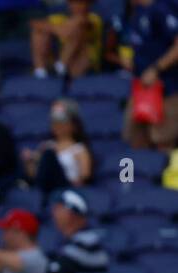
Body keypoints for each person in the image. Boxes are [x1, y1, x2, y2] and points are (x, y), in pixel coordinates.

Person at [109, 0, 178, 151]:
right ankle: (135, 174)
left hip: (169, 88)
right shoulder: (137, 11)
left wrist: (156, 68)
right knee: (134, 137)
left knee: (162, 139)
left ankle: (165, 174)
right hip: (141, 88)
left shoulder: (163, 8)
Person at [23, 99, 92, 193]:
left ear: (73, 125)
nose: (57, 126)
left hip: (67, 187)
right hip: (46, 187)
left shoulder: (79, 149)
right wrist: (29, 162)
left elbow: (85, 174)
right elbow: (34, 175)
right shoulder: (46, 145)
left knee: (49, 155)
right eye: (55, 123)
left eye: (62, 123)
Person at [32, 0, 104, 78]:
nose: (77, 6)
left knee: (78, 31)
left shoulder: (94, 18)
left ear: (88, 5)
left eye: (81, 3)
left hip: (85, 61)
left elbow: (81, 22)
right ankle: (40, 70)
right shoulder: (61, 18)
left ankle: (61, 65)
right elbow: (35, 23)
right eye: (74, 3)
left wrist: (57, 29)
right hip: (61, 59)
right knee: (39, 32)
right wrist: (58, 29)